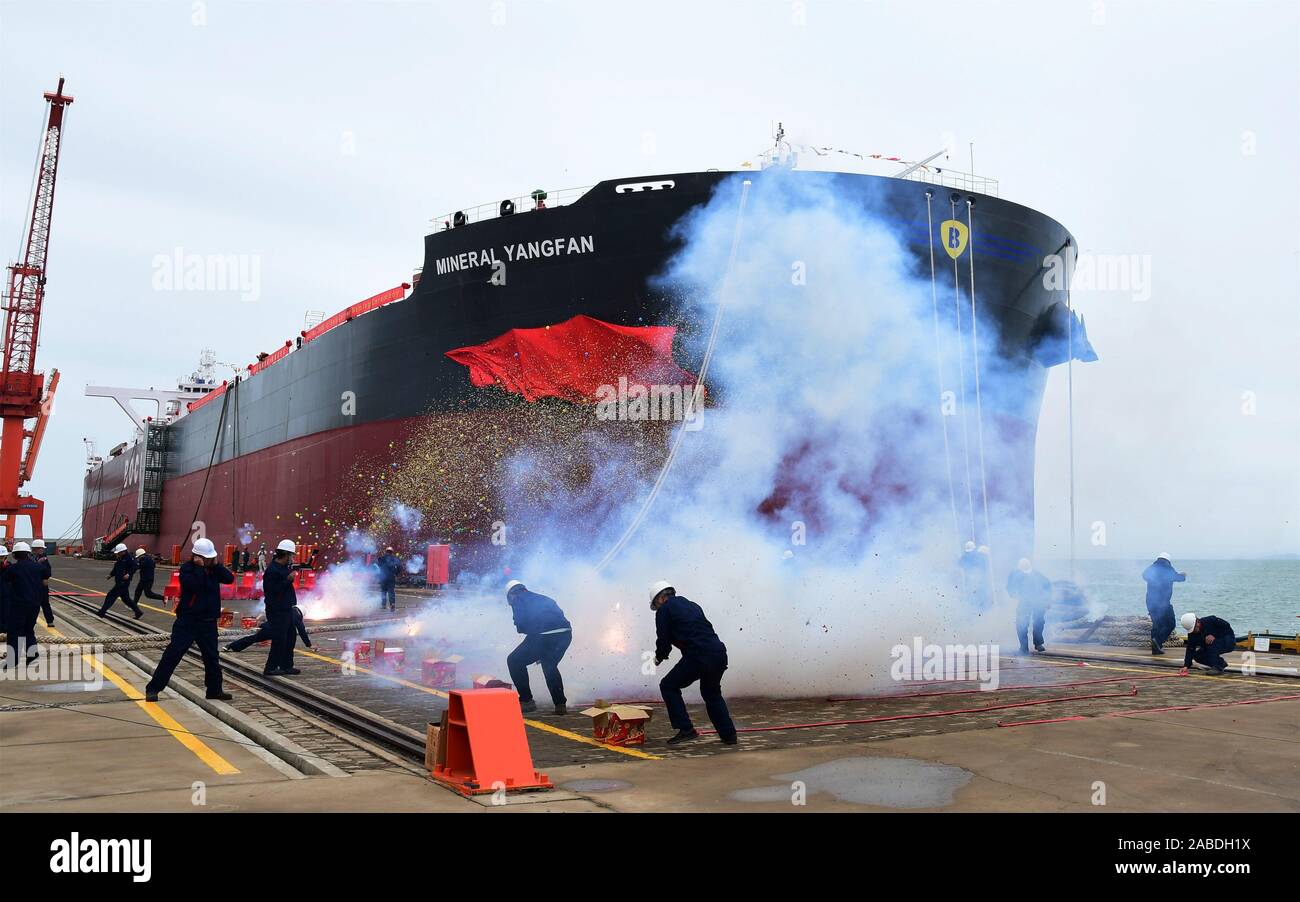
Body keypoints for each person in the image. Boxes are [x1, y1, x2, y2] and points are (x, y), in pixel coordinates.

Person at [145, 538, 233, 702]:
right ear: (198, 557)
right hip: (188, 621)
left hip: (208, 622)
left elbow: (229, 579)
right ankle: (153, 688)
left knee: (212, 658)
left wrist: (216, 565)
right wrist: (200, 568)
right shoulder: (187, 570)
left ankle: (214, 690)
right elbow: (197, 586)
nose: (209, 560)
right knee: (173, 655)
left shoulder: (213, 569)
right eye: (207, 558)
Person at [650, 580, 737, 745]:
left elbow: (663, 640)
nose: (657, 607)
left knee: (668, 686)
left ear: (660, 598)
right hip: (718, 652)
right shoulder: (693, 605)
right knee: (712, 694)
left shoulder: (663, 611)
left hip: (698, 656)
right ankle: (729, 736)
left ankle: (686, 729)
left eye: (656, 604)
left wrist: (659, 657)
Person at [224, 539, 299, 675]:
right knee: (279, 639)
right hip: (276, 610)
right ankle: (270, 667)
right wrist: (288, 580)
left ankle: (286, 665)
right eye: (291, 555)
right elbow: (272, 590)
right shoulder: (272, 570)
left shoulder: (285, 568)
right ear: (286, 554)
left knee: (290, 636)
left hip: (286, 608)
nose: (292, 558)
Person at [504, 580, 571, 715]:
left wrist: (537, 646)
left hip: (543, 636)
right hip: (565, 634)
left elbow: (521, 625)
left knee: (514, 660)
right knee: (549, 664)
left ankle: (527, 701)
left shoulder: (517, 599)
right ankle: (560, 705)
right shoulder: (543, 597)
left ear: (511, 594)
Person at [2, 543, 44, 666]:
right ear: (28, 553)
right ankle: (32, 656)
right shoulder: (38, 567)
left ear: (14, 555)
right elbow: (45, 578)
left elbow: (5, 580)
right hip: (35, 605)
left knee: (14, 632)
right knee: (29, 630)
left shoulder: (13, 569)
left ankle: (12, 660)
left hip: (18, 605)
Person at [1142, 552, 1186, 655]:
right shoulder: (1167, 568)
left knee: (1157, 624)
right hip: (1163, 602)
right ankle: (1158, 641)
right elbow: (1178, 578)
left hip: (1150, 602)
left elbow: (1144, 575)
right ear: (1168, 560)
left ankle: (1156, 648)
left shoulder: (1151, 568)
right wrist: (1183, 575)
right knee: (1171, 623)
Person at [1006, 558, 1052, 654]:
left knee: (1027, 623)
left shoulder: (1019, 575)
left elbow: (1047, 586)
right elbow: (1010, 587)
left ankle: (1029, 646)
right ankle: (1033, 645)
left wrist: (1047, 600)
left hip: (1034, 602)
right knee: (1028, 623)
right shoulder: (1035, 574)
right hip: (1031, 602)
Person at [99, 543, 140, 618]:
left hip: (123, 582)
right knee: (126, 599)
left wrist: (129, 574)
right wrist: (111, 575)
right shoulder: (120, 558)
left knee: (111, 595)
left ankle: (102, 612)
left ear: (123, 551)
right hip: (119, 580)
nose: (117, 554)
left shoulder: (129, 558)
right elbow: (116, 568)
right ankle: (138, 612)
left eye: (119, 552)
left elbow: (135, 566)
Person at [958, 541, 991, 610]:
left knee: (972, 597)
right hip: (980, 580)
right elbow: (984, 567)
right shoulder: (978, 556)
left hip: (969, 580)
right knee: (981, 596)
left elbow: (960, 564)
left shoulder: (964, 556)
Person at [32, 538, 53, 627]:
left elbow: (48, 572)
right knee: (34, 604)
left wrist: (45, 578)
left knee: (45, 603)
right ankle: (32, 620)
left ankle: (50, 621)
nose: (42, 550)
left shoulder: (44, 559)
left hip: (41, 585)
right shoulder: (32, 558)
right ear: (35, 549)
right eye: (41, 548)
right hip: (33, 584)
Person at [376, 546, 399, 612]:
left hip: (383, 577)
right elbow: (400, 567)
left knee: (383, 591)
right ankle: (392, 604)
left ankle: (383, 605)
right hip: (391, 577)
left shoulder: (381, 558)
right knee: (391, 591)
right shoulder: (394, 559)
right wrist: (396, 573)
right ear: (392, 552)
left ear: (386, 551)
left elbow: (378, 566)